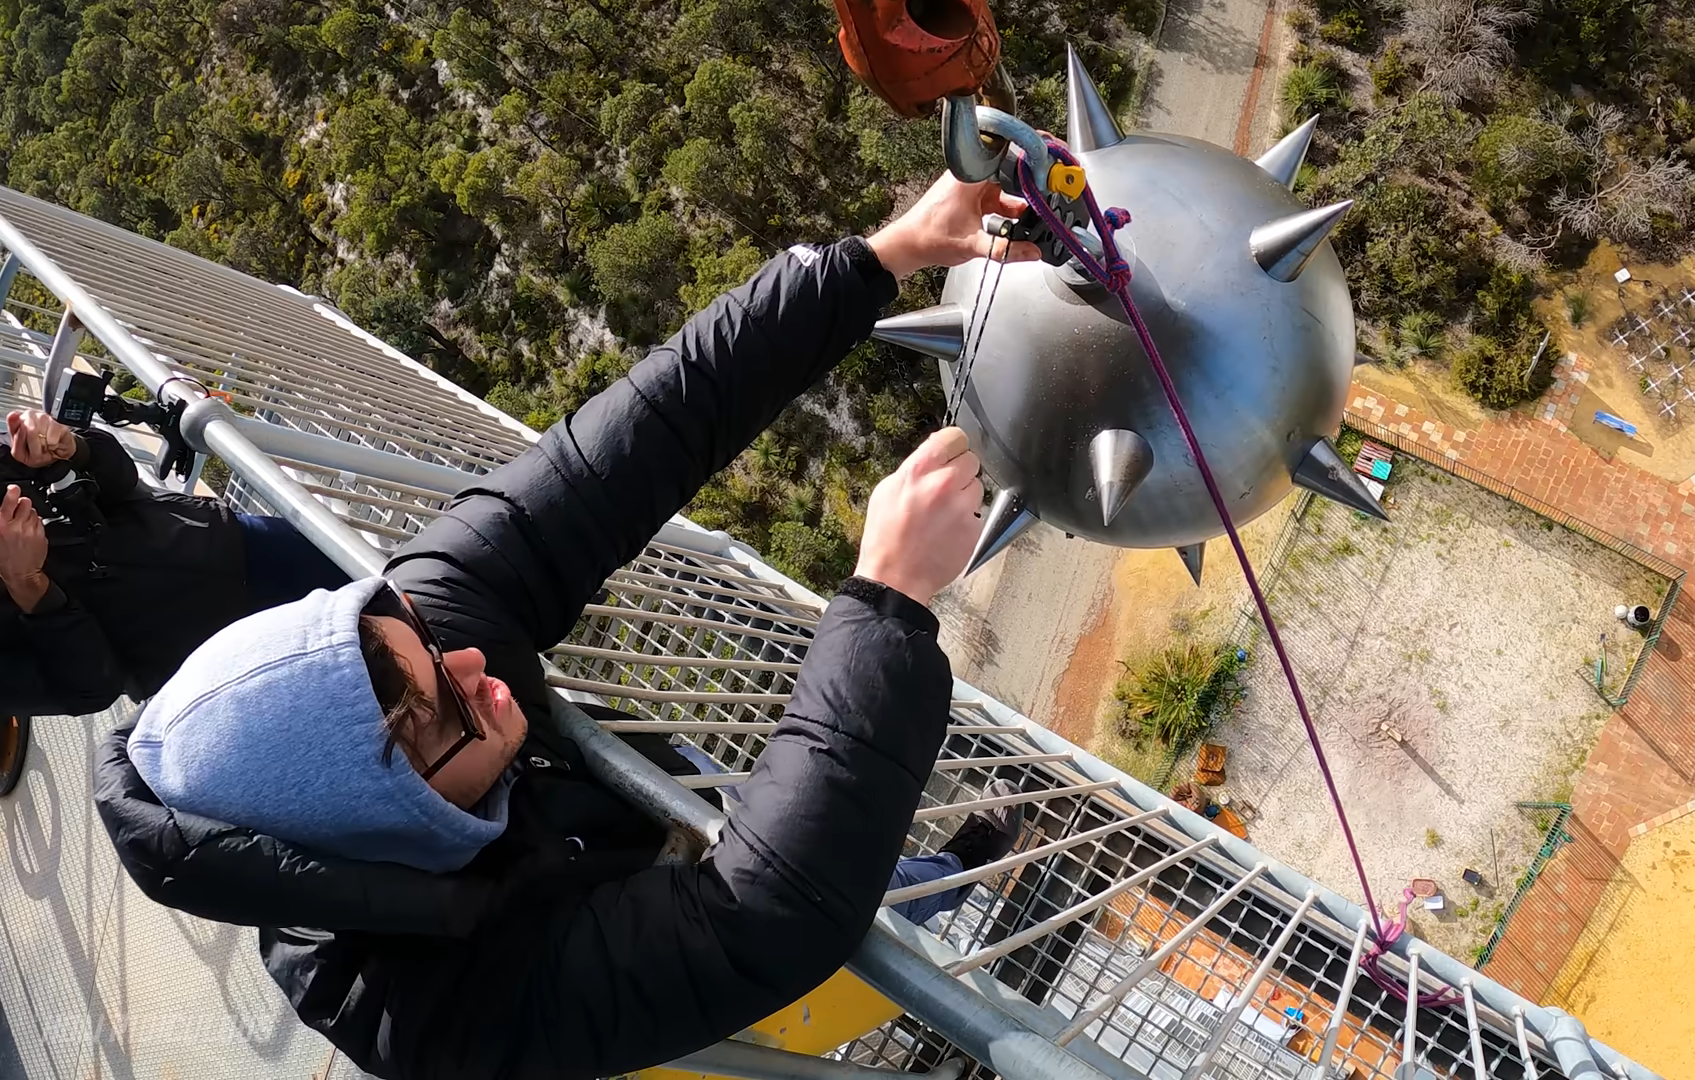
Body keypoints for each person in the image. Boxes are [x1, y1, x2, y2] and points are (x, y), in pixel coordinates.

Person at [96, 171, 1042, 1080]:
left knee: (836, 845)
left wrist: (883, 255)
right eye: (450, 713)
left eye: (418, 642)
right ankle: (954, 881)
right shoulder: (424, 1014)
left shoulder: (419, 627)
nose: (475, 664)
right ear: (391, 827)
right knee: (858, 928)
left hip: (637, 819)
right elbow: (757, 920)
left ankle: (938, 870)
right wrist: (884, 601)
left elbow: (644, 432)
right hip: (663, 972)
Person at [1, 408, 351, 718]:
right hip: (224, 650)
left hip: (226, 541)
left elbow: (120, 481)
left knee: (379, 573)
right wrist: (28, 583)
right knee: (380, 672)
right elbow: (89, 690)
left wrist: (74, 447)